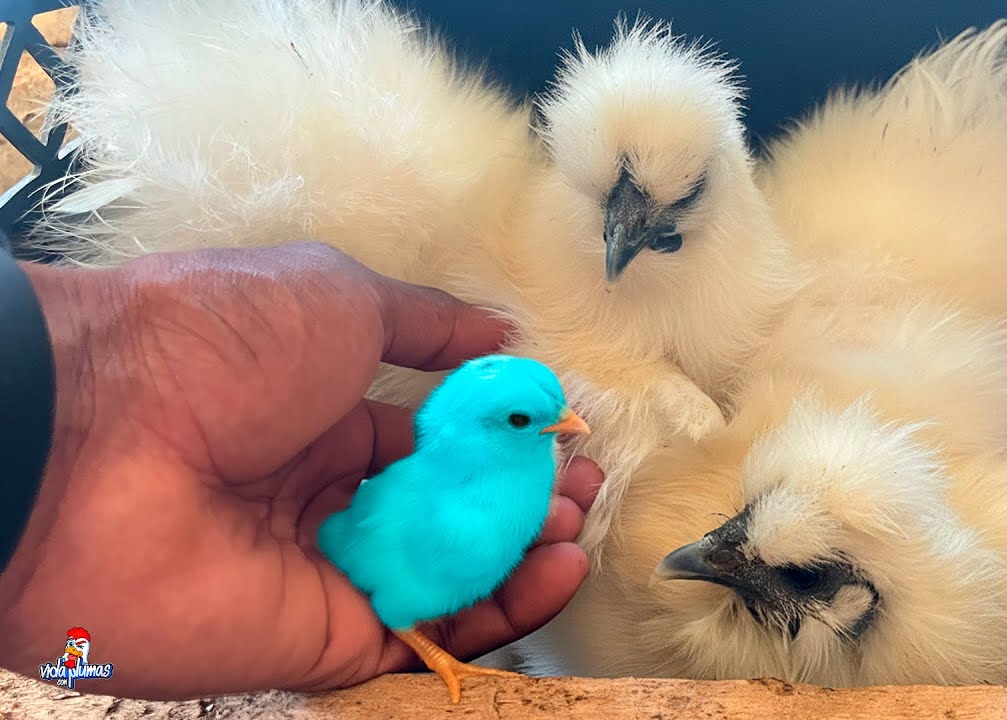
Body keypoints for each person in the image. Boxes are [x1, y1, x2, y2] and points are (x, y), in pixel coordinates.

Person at [0, 241, 603, 700]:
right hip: (378, 549)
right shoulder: (454, 509)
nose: (568, 421)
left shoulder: (506, 474)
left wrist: (82, 373)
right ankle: (432, 650)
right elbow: (388, 553)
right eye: (524, 420)